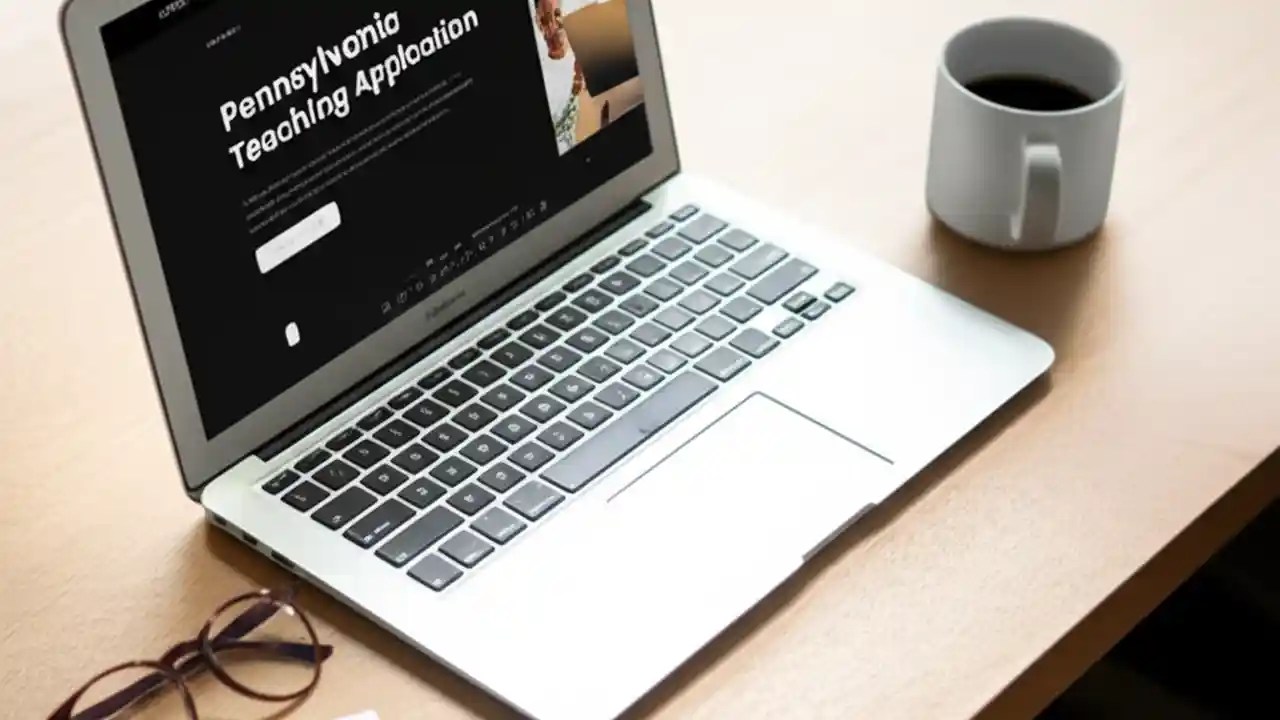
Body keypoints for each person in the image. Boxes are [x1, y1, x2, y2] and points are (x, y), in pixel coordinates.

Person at [533, 0, 607, 153]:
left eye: (557, 15)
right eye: (546, 21)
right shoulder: (542, 72)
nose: (553, 26)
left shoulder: (584, 51)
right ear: (538, 23)